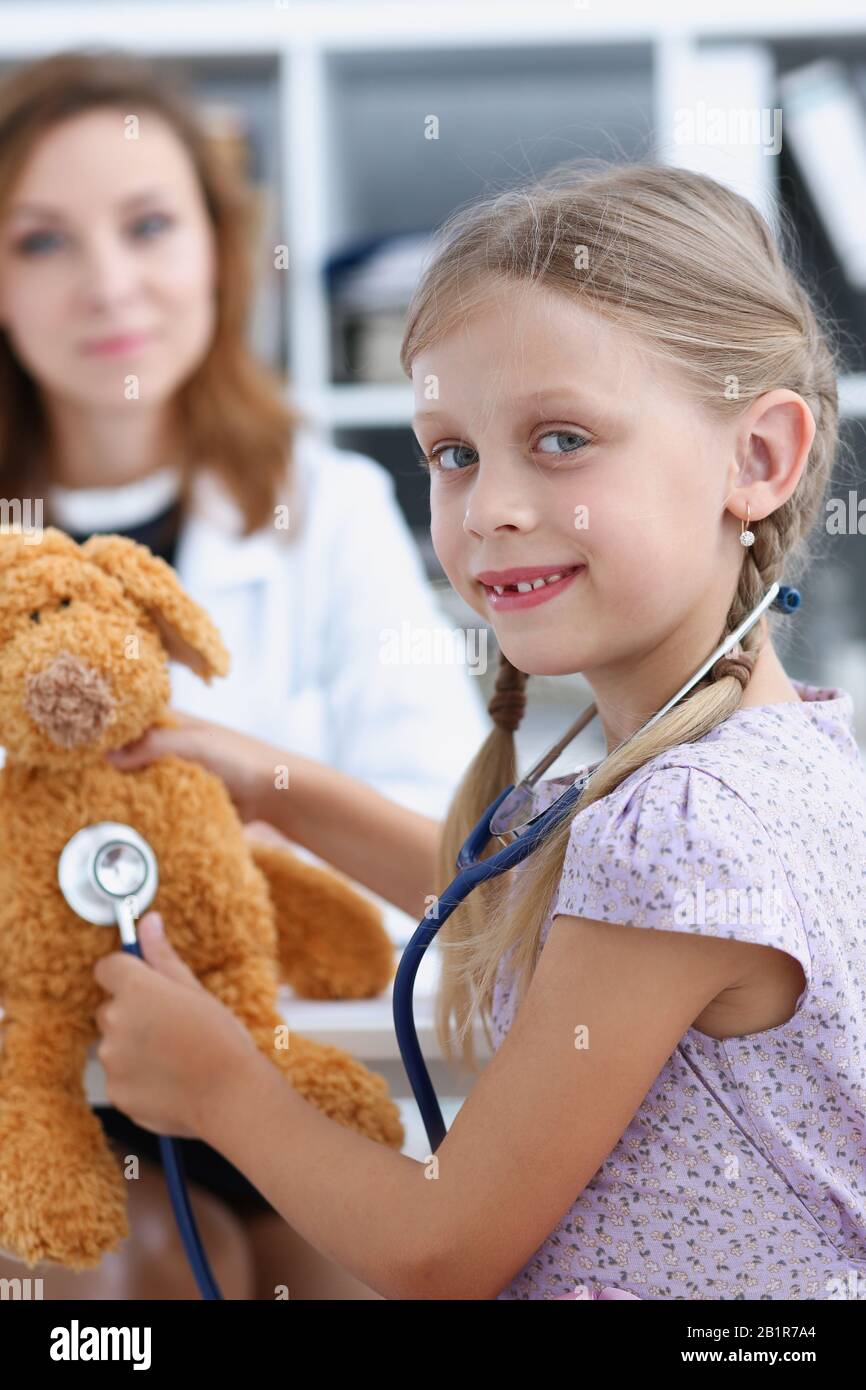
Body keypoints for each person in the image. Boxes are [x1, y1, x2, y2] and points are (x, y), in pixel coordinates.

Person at [92, 158, 866, 1300]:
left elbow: (438, 1248)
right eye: (453, 454)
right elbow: (504, 903)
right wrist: (267, 787)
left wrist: (217, 1088)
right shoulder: (775, 753)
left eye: (559, 439)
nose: (490, 507)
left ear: (754, 459)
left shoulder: (684, 827)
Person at [0, 49, 489, 1301]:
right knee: (133, 1274)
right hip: (38, 1075)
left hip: (278, 1043)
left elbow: (445, 832)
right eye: (41, 240)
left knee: (340, 1270)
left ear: (220, 251)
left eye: (149, 225)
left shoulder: (324, 506)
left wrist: (217, 925)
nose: (109, 282)